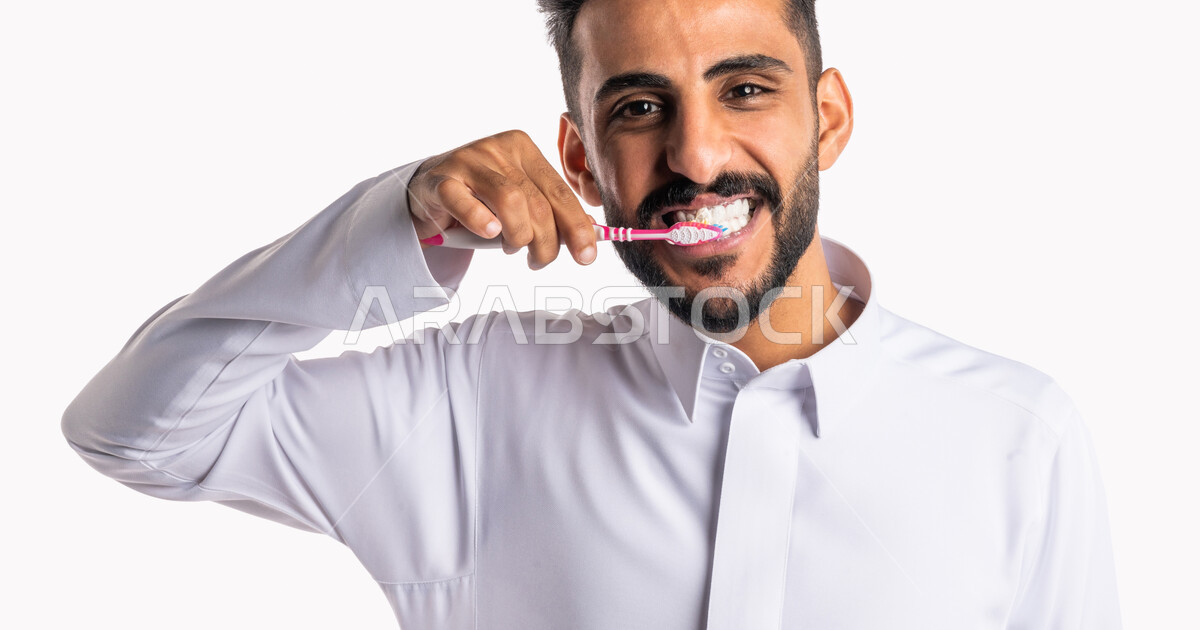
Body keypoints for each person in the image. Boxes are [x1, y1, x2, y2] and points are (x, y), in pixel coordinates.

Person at [61, 0, 1121, 627]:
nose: (698, 156)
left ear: (828, 117)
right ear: (580, 158)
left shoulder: (1017, 438)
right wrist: (397, 223)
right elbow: (135, 433)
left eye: (745, 89)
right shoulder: (463, 402)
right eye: (640, 108)